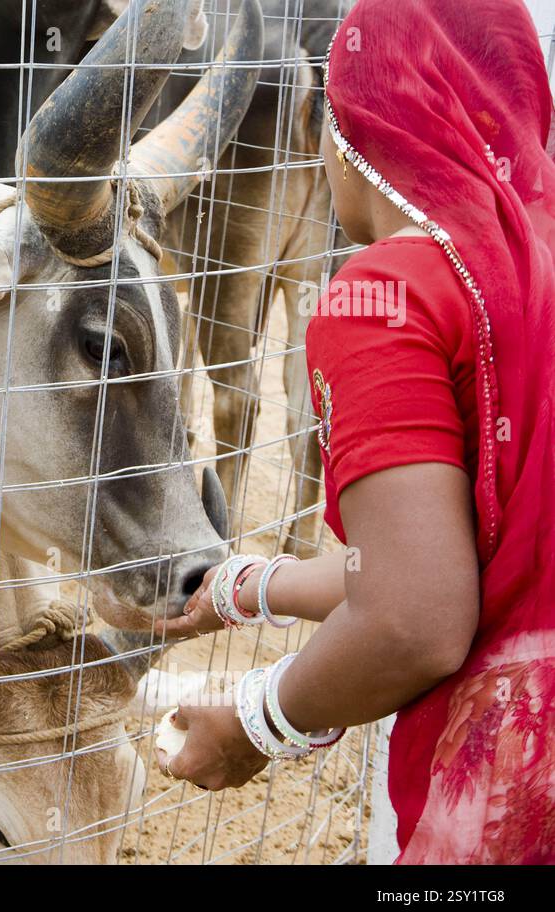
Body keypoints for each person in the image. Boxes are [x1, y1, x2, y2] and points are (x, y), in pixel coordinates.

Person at [156, 0, 555, 864]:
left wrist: (258, 723)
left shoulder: (390, 295)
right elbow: (442, 554)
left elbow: (414, 618)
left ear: (348, 135)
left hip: (507, 792)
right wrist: (244, 588)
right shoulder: (538, 258)